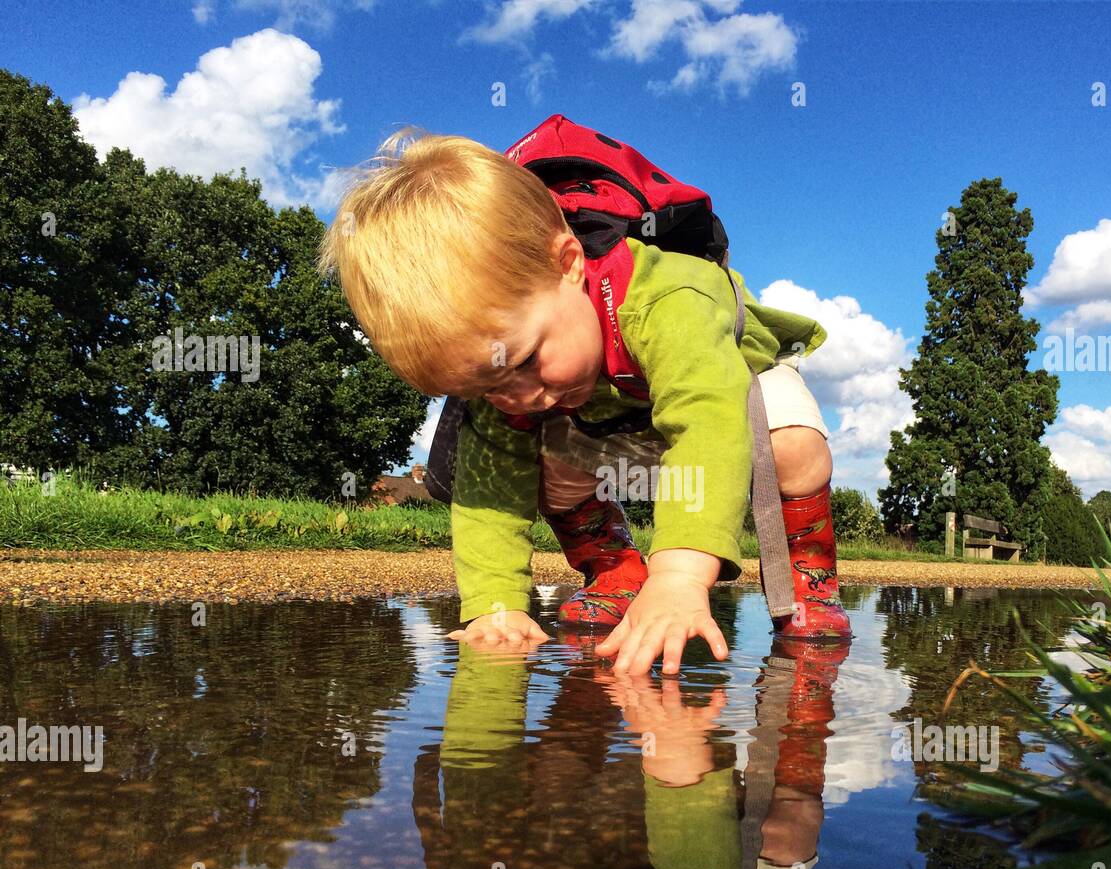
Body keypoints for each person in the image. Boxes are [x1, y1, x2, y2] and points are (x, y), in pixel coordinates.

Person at [317, 130, 852, 677]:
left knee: (793, 445)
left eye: (524, 359)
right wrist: (496, 606)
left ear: (568, 262)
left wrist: (679, 578)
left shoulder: (668, 299)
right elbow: (489, 492)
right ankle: (616, 572)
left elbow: (707, 426)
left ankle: (808, 585)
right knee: (536, 463)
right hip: (608, 419)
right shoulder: (512, 379)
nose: (518, 396)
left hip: (733, 390)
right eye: (483, 389)